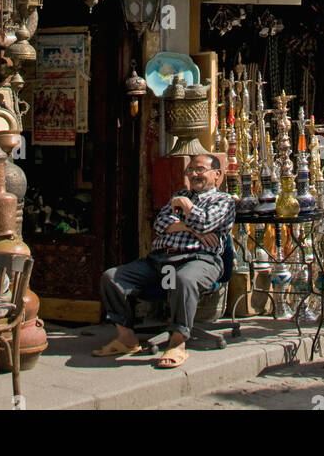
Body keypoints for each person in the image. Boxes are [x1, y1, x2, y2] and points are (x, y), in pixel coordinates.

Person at [93, 152, 235, 369]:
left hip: (200, 260)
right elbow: (160, 224)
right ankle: (126, 339)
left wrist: (186, 209)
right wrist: (192, 227)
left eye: (200, 170)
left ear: (217, 175)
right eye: (191, 170)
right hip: (160, 259)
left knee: (184, 279)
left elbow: (206, 223)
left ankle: (178, 343)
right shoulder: (178, 195)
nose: (194, 174)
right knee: (112, 277)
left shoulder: (224, 201)